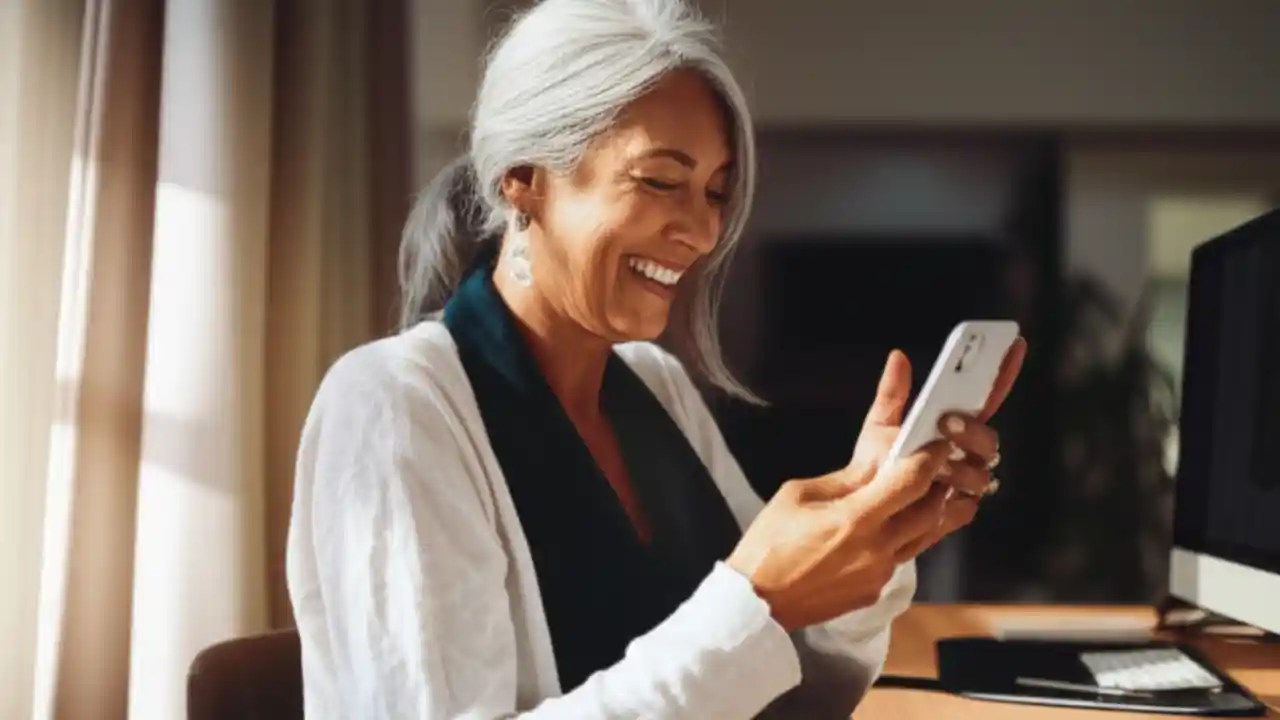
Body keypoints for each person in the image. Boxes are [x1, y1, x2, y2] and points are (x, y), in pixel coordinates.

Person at [286, 0, 1027, 717]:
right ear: (524, 178)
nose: (702, 232)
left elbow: (800, 685)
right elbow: (747, 628)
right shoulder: (394, 407)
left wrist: (873, 530)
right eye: (661, 182)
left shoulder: (657, 387)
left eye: (715, 193)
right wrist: (757, 602)